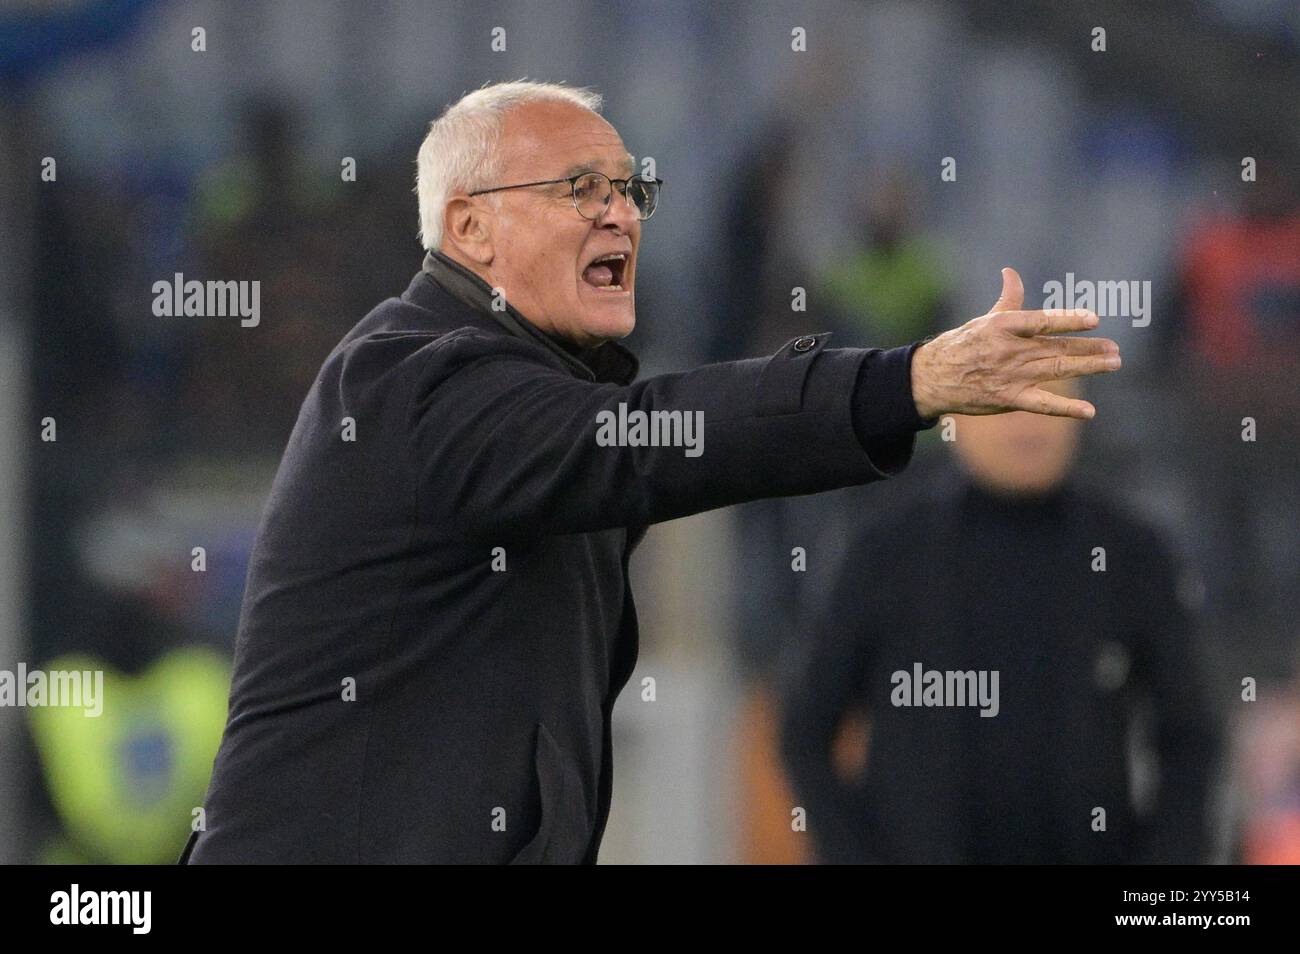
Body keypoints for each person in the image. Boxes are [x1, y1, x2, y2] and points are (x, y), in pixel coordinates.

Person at [183, 81, 1120, 864]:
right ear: (469, 227)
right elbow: (653, 438)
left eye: (633, 190)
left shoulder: (535, 396)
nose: (622, 212)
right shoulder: (412, 378)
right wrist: (903, 382)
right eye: (581, 187)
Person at [779, 380, 1221, 863]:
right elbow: (805, 727)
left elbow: (1191, 734)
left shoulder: (1131, 554)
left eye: (1049, 402)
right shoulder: (886, 555)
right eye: (1006, 404)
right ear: (956, 416)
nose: (1030, 425)